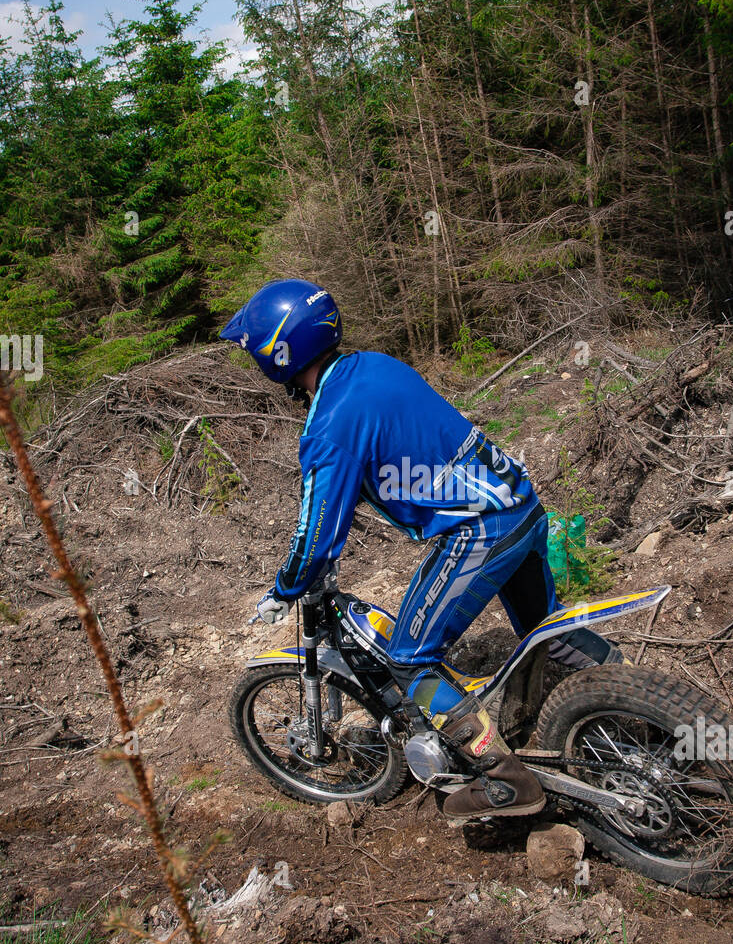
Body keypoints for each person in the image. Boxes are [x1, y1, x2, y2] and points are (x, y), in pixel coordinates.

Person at [219, 278, 619, 825]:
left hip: (480, 530)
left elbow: (316, 533)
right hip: (520, 503)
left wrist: (283, 590)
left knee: (410, 659)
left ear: (277, 352)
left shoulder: (330, 422)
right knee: (542, 627)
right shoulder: (372, 367)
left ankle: (505, 781)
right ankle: (625, 696)